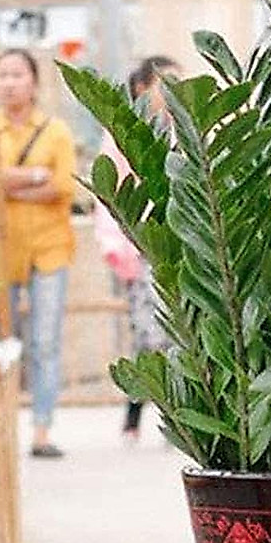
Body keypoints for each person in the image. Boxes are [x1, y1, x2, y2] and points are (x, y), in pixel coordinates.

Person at [0, 48, 76, 459]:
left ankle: (42, 430)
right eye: (2, 74)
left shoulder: (56, 131)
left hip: (50, 246)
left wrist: (11, 186)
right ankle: (1, 426)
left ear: (34, 81)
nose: (9, 82)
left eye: (17, 74)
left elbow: (63, 186)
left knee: (45, 340)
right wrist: (34, 176)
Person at [94, 55, 179, 441]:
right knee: (149, 332)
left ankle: (170, 414)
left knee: (178, 332)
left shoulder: (186, 132)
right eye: (166, 83)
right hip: (141, 247)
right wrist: (117, 246)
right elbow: (108, 192)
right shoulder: (122, 132)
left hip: (180, 247)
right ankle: (140, 409)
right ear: (143, 88)